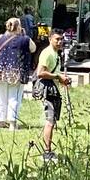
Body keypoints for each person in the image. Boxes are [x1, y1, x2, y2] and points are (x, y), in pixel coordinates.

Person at [0, 18, 31, 129]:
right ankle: (12, 123)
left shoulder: (0, 38)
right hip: (16, 72)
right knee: (14, 97)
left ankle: (0, 122)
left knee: (0, 97)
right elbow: (33, 49)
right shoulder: (25, 39)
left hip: (1, 71)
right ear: (19, 27)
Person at [36, 30, 71, 162]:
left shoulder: (56, 53)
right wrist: (57, 76)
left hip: (54, 88)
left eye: (61, 39)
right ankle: (47, 152)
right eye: (57, 39)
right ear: (50, 39)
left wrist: (62, 79)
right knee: (50, 121)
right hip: (47, 90)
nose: (60, 42)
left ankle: (48, 149)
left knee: (53, 121)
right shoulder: (47, 53)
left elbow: (54, 71)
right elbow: (40, 73)